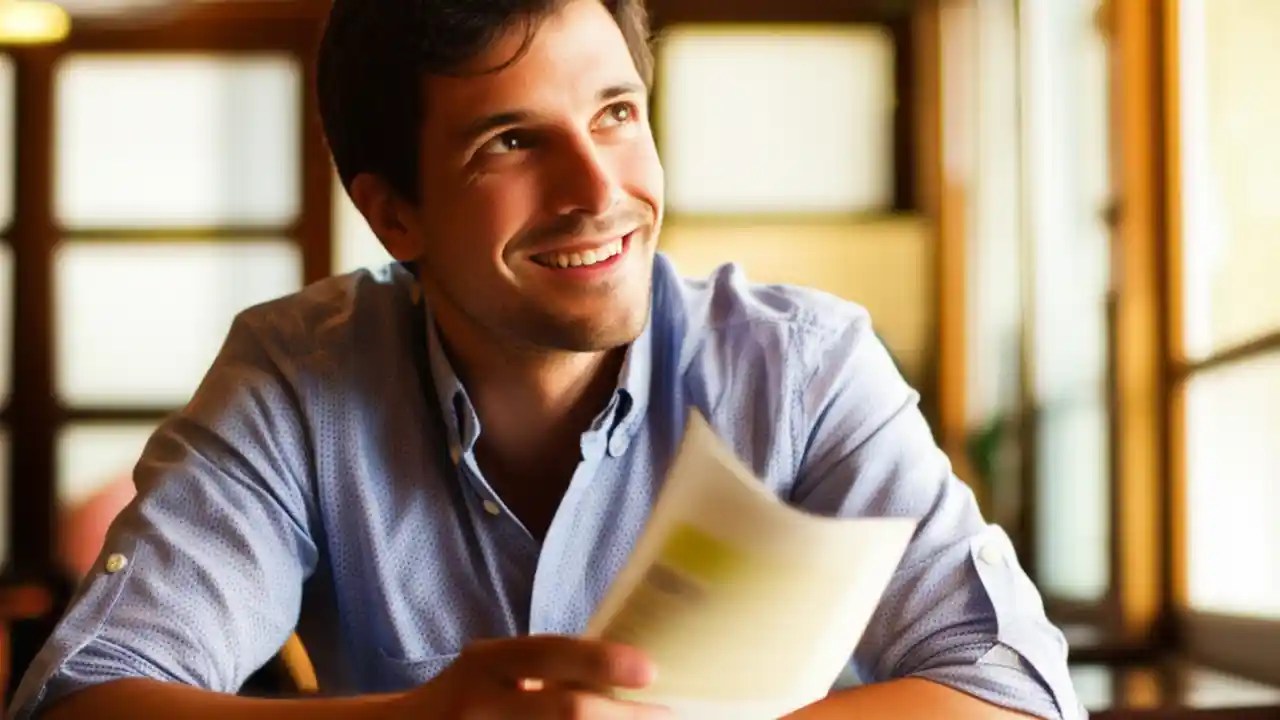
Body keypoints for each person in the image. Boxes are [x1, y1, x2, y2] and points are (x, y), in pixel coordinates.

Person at [9, 1, 1087, 718]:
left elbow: (1013, 688)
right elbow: (89, 696)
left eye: (616, 114)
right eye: (511, 143)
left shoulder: (799, 368)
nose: (596, 190)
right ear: (392, 216)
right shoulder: (298, 381)